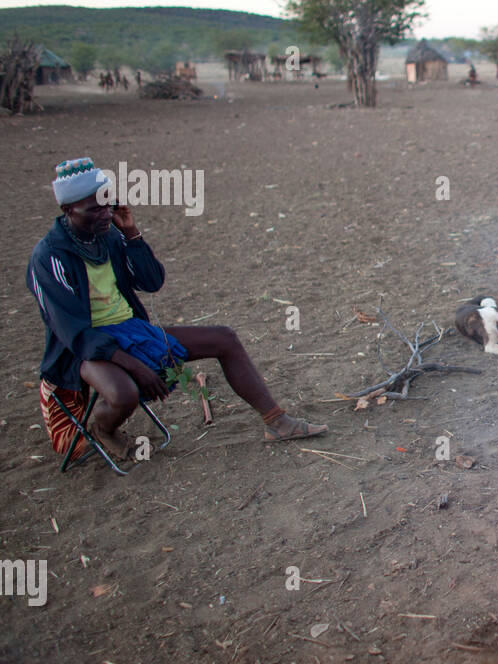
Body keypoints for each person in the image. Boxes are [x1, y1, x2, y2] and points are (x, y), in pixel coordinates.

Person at [28, 157, 326, 463]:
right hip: (83, 349)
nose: (106, 214)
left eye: (108, 204)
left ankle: (277, 422)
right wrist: (134, 365)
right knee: (124, 393)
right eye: (94, 209)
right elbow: (73, 332)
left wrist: (131, 234)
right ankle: (104, 430)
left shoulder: (110, 236)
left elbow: (151, 281)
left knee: (224, 338)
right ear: (67, 210)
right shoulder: (49, 257)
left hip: (131, 331)